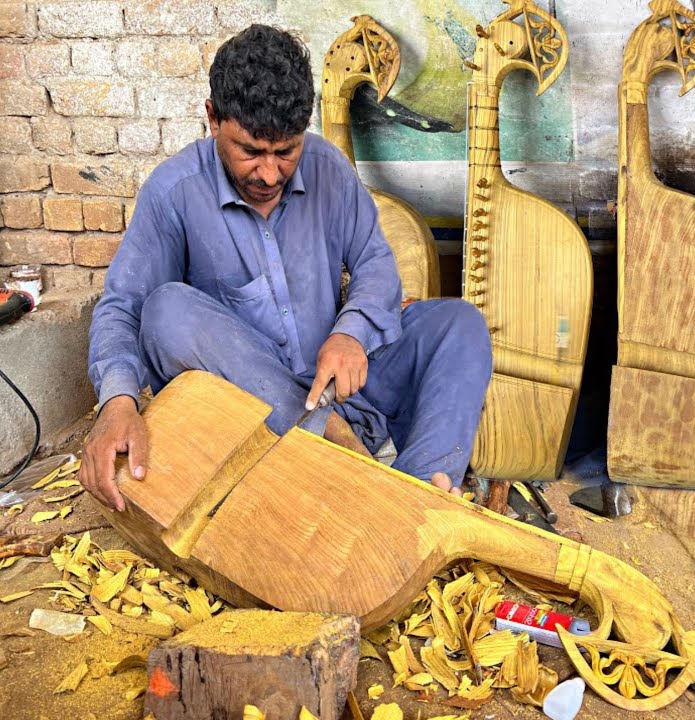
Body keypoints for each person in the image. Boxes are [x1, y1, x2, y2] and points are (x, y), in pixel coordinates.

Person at [80, 25, 492, 511]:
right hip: (254, 413)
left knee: (459, 324)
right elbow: (122, 308)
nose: (270, 173)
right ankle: (343, 453)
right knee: (165, 310)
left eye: (286, 151)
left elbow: (375, 262)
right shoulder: (174, 192)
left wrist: (351, 333)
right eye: (251, 151)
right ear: (213, 119)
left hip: (341, 388)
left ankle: (421, 497)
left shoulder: (328, 167)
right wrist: (117, 401)